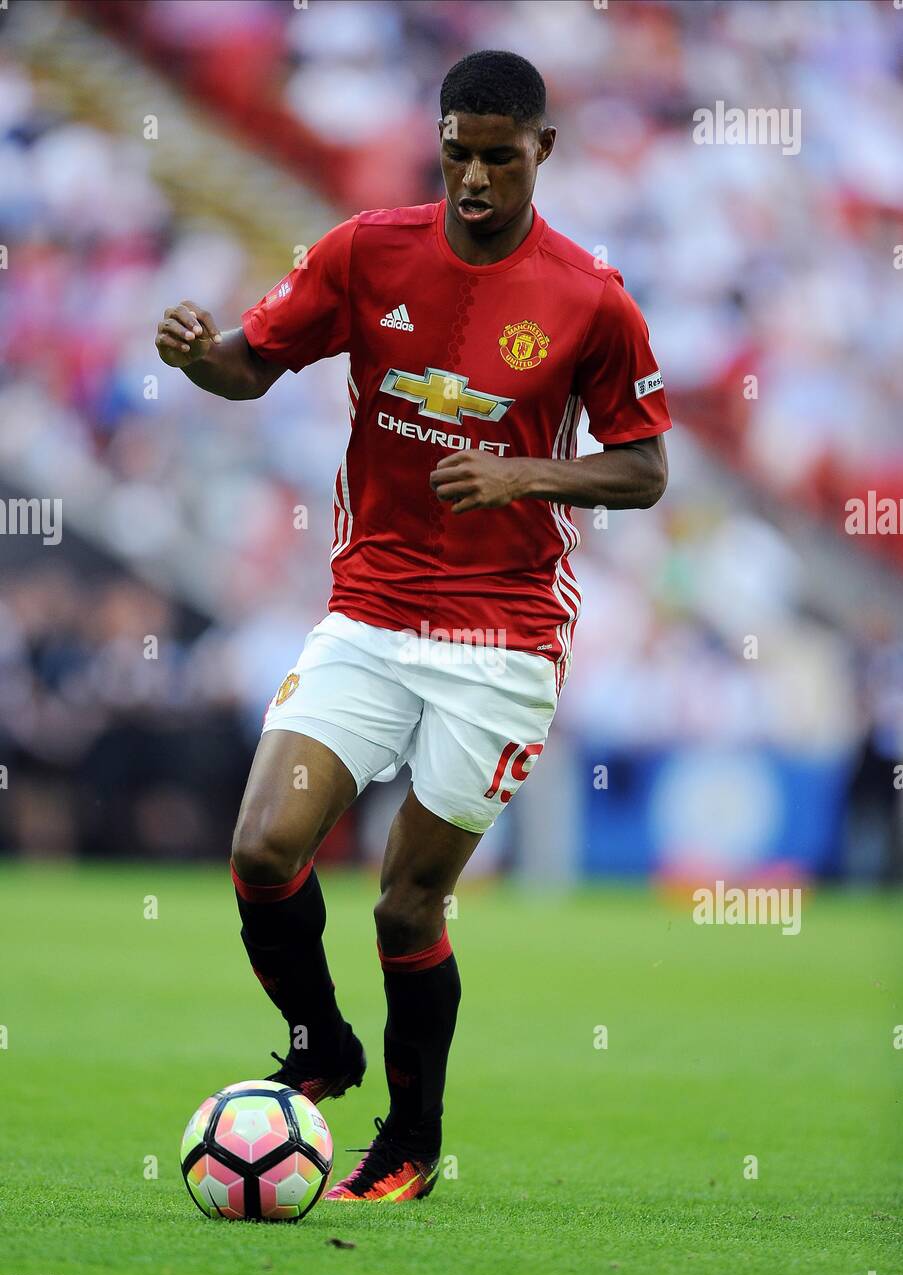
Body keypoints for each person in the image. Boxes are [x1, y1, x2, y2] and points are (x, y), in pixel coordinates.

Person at [154, 49, 671, 1202]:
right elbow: (252, 367)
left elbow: (642, 471)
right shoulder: (364, 251)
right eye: (460, 150)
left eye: (501, 154)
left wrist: (525, 475)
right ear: (438, 141)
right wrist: (199, 359)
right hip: (371, 607)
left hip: (503, 637)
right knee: (260, 849)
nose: (476, 175)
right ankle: (324, 1044)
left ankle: (413, 1140)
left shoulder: (592, 296)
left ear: (545, 150)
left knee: (406, 900)